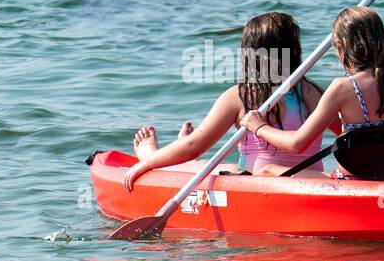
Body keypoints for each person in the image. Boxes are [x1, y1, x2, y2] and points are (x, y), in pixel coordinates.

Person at [123, 12, 330, 191]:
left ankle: (152, 156)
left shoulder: (241, 97)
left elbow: (195, 145)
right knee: (216, 166)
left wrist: (145, 165)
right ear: (295, 51)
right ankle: (161, 155)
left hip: (256, 183)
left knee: (206, 165)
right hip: (303, 180)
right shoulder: (314, 93)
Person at [241, 6, 384, 178]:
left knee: (266, 171)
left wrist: (259, 127)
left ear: (341, 47)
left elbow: (296, 144)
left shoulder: (342, 87)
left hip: (354, 177)